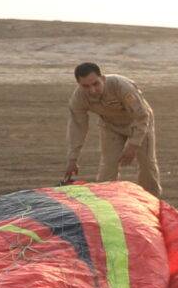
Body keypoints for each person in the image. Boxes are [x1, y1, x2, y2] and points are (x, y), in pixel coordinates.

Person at [63, 62, 165, 196]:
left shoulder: (121, 86)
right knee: (108, 167)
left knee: (147, 165)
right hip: (110, 126)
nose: (92, 90)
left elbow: (142, 116)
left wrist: (133, 145)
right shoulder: (79, 98)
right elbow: (77, 127)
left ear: (103, 79)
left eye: (96, 84)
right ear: (79, 85)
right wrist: (72, 159)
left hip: (138, 123)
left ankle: (153, 201)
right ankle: (106, 202)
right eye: (85, 86)